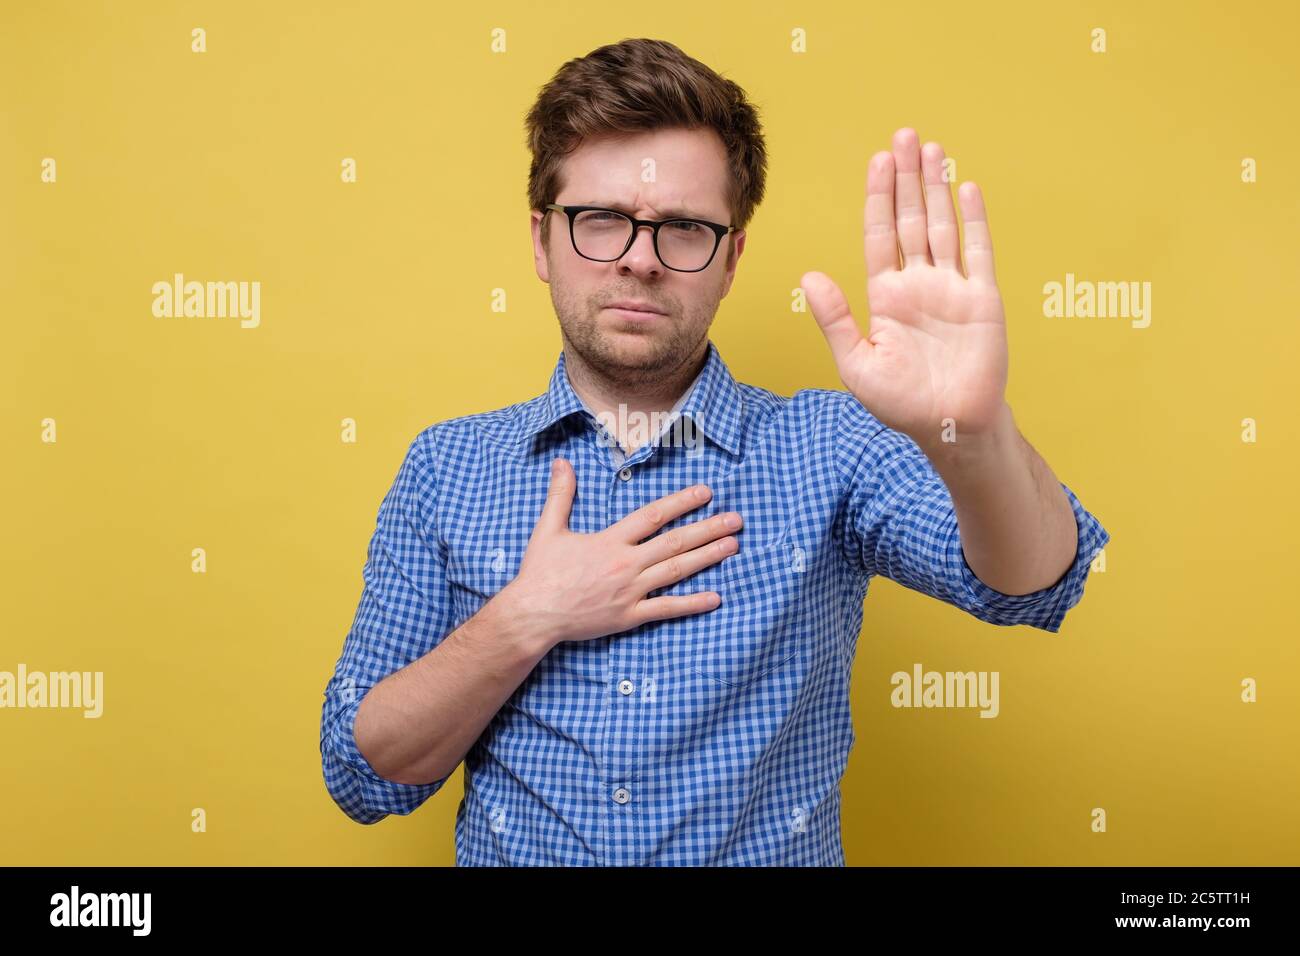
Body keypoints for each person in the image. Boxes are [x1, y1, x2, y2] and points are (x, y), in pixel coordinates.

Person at [319, 37, 1110, 865]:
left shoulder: (827, 446)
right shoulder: (448, 468)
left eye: (685, 229)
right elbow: (364, 773)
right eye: (601, 220)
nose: (638, 258)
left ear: (730, 260)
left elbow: (1034, 584)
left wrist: (975, 433)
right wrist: (529, 616)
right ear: (541, 240)